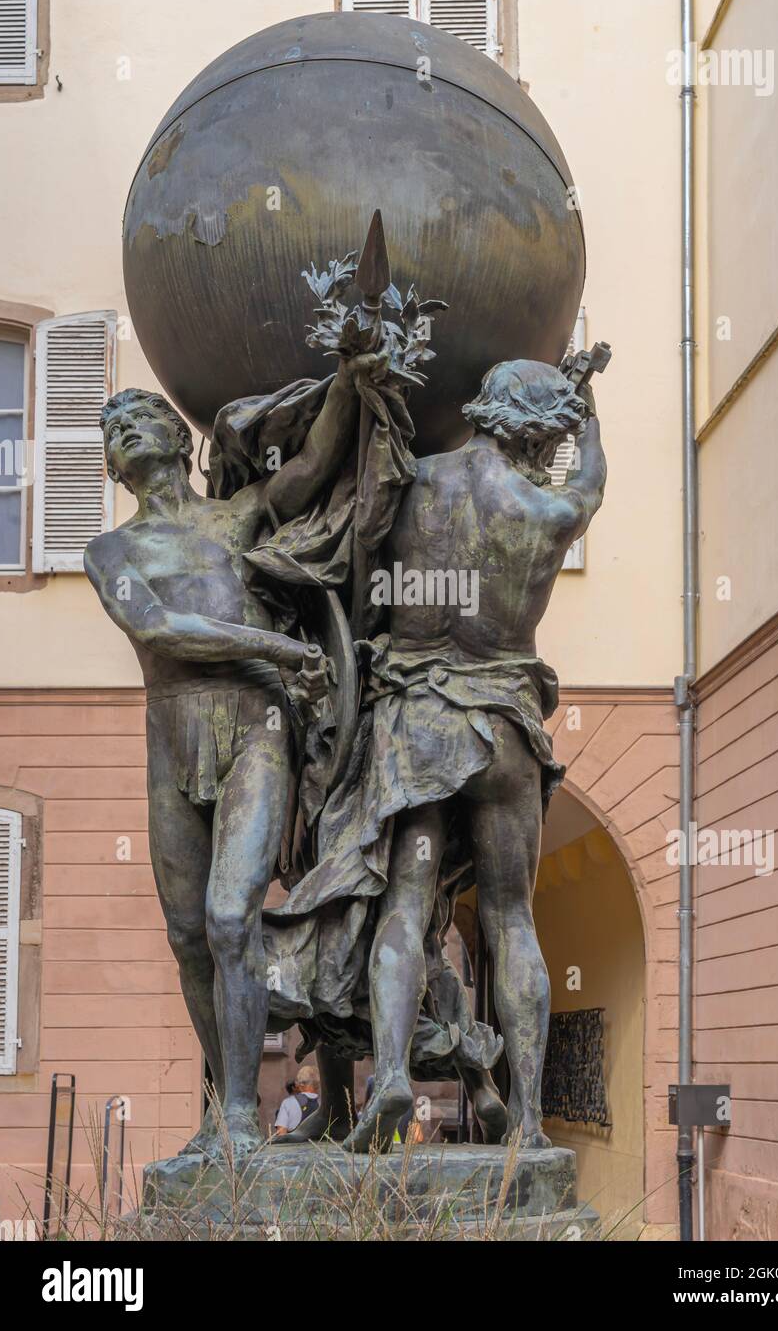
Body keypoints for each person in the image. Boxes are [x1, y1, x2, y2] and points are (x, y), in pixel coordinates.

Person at [264, 362, 606, 1151]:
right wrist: (592, 410)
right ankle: (525, 1118)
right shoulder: (550, 508)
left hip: (420, 731)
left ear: (485, 410)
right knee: (511, 916)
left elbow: (352, 561)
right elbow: (592, 479)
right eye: (553, 436)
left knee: (405, 903)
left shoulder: (412, 480)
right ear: (543, 430)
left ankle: (389, 1079)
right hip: (505, 734)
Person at [84, 358, 375, 1159]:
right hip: (172, 730)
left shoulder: (237, 518)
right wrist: (277, 646)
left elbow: (313, 466)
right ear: (112, 465)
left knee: (228, 916)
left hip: (255, 727)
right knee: (185, 934)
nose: (126, 429)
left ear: (179, 439)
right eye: (113, 429)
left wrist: (351, 377)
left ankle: (244, 1120)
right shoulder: (109, 550)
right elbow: (161, 632)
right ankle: (223, 1109)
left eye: (141, 415)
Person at [274, 1066, 320, 1136]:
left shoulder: (288, 1103)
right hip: (320, 1146)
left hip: (295, 1145)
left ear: (299, 1084)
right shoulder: (324, 1104)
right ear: (318, 1084)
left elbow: (281, 1132)